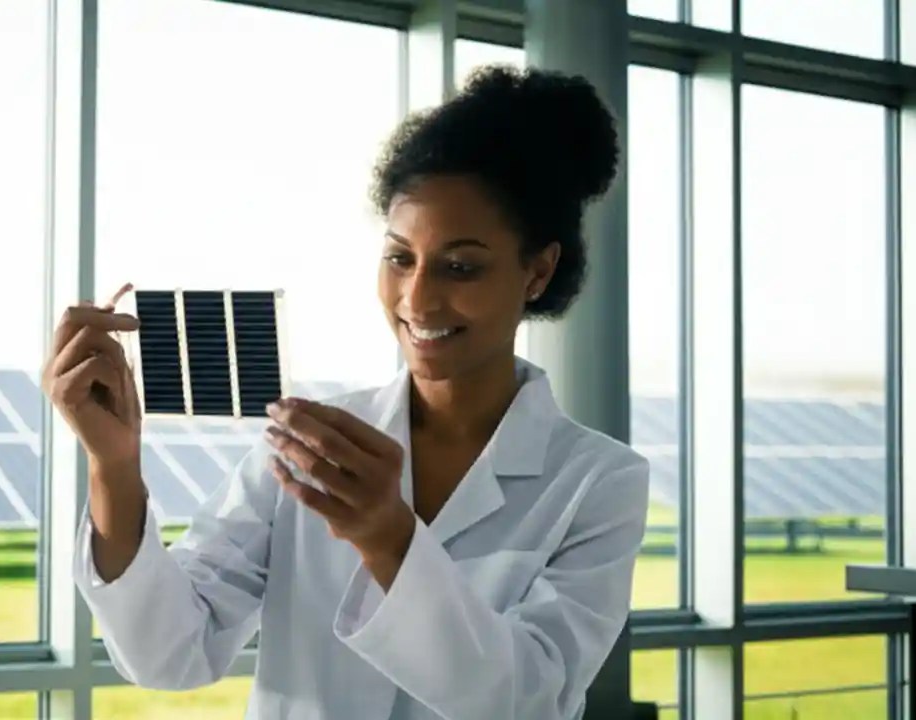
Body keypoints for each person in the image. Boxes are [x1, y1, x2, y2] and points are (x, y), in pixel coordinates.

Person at [42, 64, 651, 720]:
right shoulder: (306, 442)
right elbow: (169, 654)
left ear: (537, 270)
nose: (417, 298)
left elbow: (527, 700)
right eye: (399, 258)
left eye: (460, 266)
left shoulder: (599, 483)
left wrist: (390, 538)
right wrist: (114, 469)